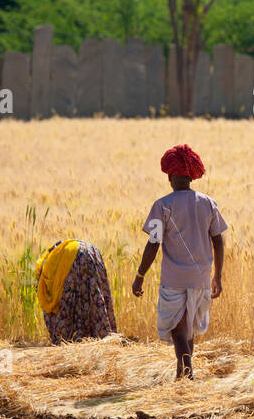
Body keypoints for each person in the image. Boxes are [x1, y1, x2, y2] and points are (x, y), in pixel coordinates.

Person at [132, 144, 227, 379]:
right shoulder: (208, 203)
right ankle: (181, 375)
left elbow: (153, 244)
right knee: (188, 331)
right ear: (191, 175)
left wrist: (140, 275)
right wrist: (218, 276)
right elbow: (219, 241)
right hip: (202, 277)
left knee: (177, 328)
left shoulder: (162, 205)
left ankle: (187, 374)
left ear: (170, 176)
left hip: (174, 279)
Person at [36, 239, 117, 344]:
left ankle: (73, 337)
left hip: (73, 258)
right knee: (93, 292)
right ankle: (100, 335)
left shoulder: (44, 280)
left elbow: (55, 306)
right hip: (93, 253)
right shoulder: (52, 259)